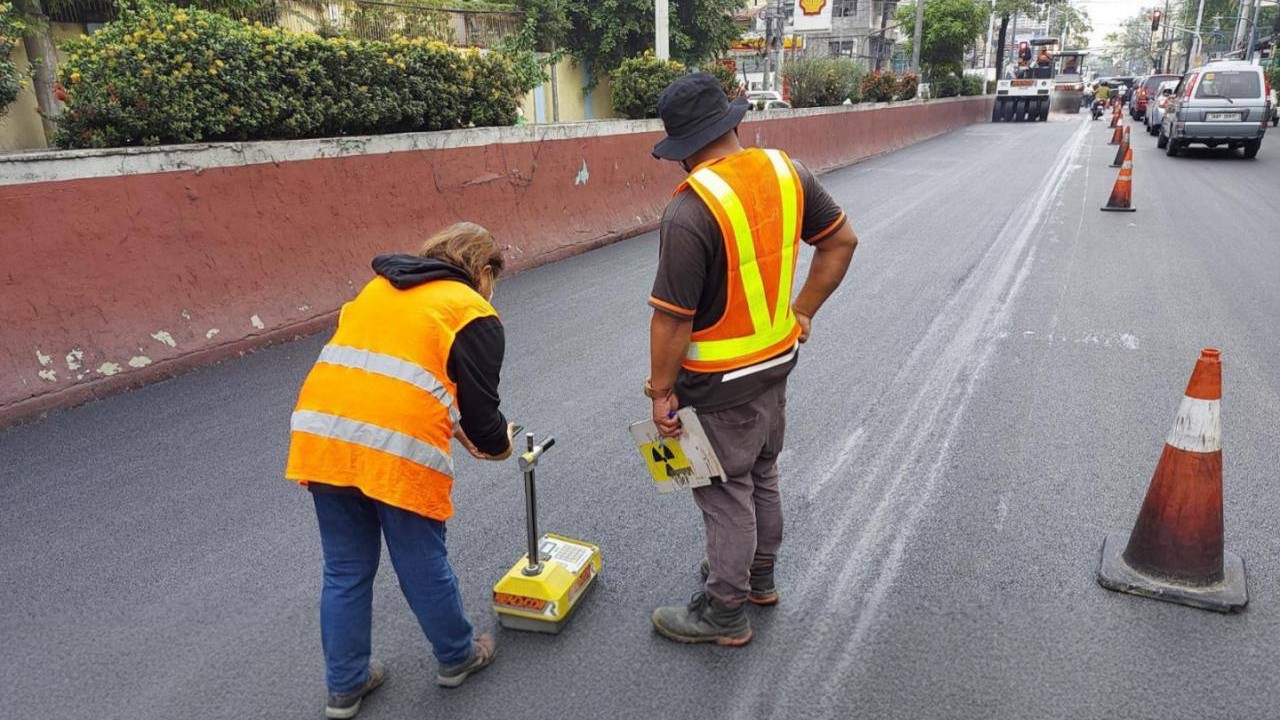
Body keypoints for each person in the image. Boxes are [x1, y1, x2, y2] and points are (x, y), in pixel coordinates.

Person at [644, 73, 858, 646]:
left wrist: (661, 392)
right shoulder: (790, 172)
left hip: (717, 384)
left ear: (682, 150)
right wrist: (804, 310)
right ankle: (759, 578)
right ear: (733, 124)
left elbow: (672, 317)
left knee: (724, 493)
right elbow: (841, 241)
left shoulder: (690, 211)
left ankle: (724, 611)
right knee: (762, 473)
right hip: (776, 365)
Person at [285, 222, 514, 719]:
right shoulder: (472, 310)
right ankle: (457, 656)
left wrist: (453, 428)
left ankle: (345, 686)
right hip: (396, 448)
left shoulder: (379, 288)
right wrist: (498, 445)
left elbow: (393, 375)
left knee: (345, 568)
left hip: (323, 433)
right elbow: (483, 416)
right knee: (420, 559)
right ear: (484, 270)